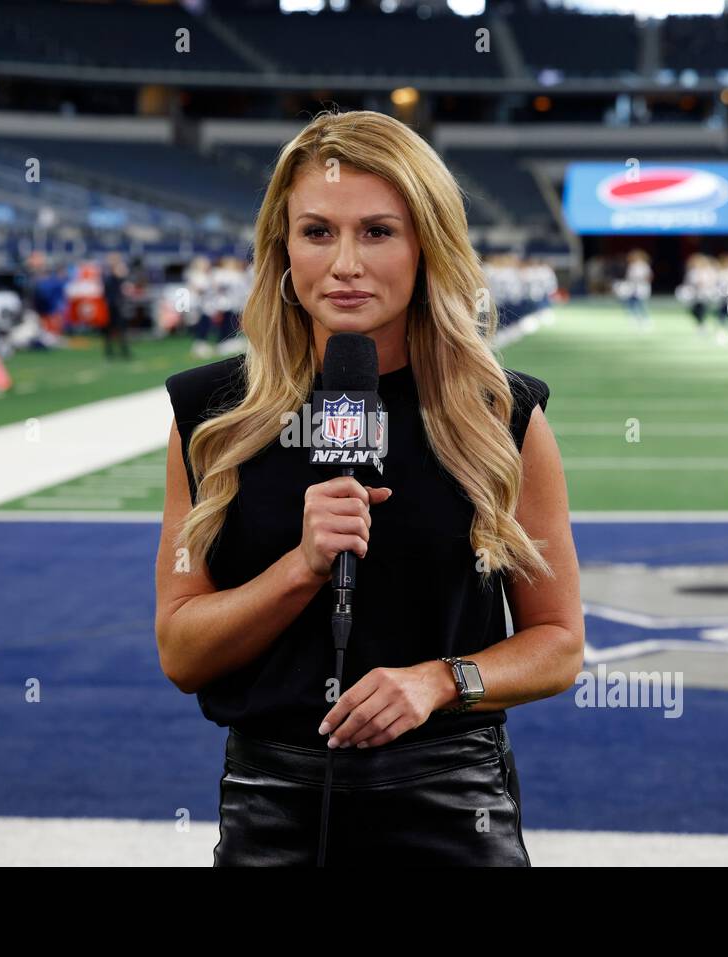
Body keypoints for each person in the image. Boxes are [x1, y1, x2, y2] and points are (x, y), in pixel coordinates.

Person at [157, 109, 584, 867]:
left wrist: (439, 681)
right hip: (270, 804)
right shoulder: (214, 416)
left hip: (452, 803)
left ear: (427, 245)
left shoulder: (499, 414)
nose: (345, 262)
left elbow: (558, 645)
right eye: (318, 232)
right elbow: (183, 651)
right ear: (282, 248)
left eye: (378, 231)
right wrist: (300, 566)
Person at [102, 252, 131, 360]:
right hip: (112, 306)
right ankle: (112, 352)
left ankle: (121, 351)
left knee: (118, 330)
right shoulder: (109, 275)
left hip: (115, 305)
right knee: (111, 330)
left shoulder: (113, 275)